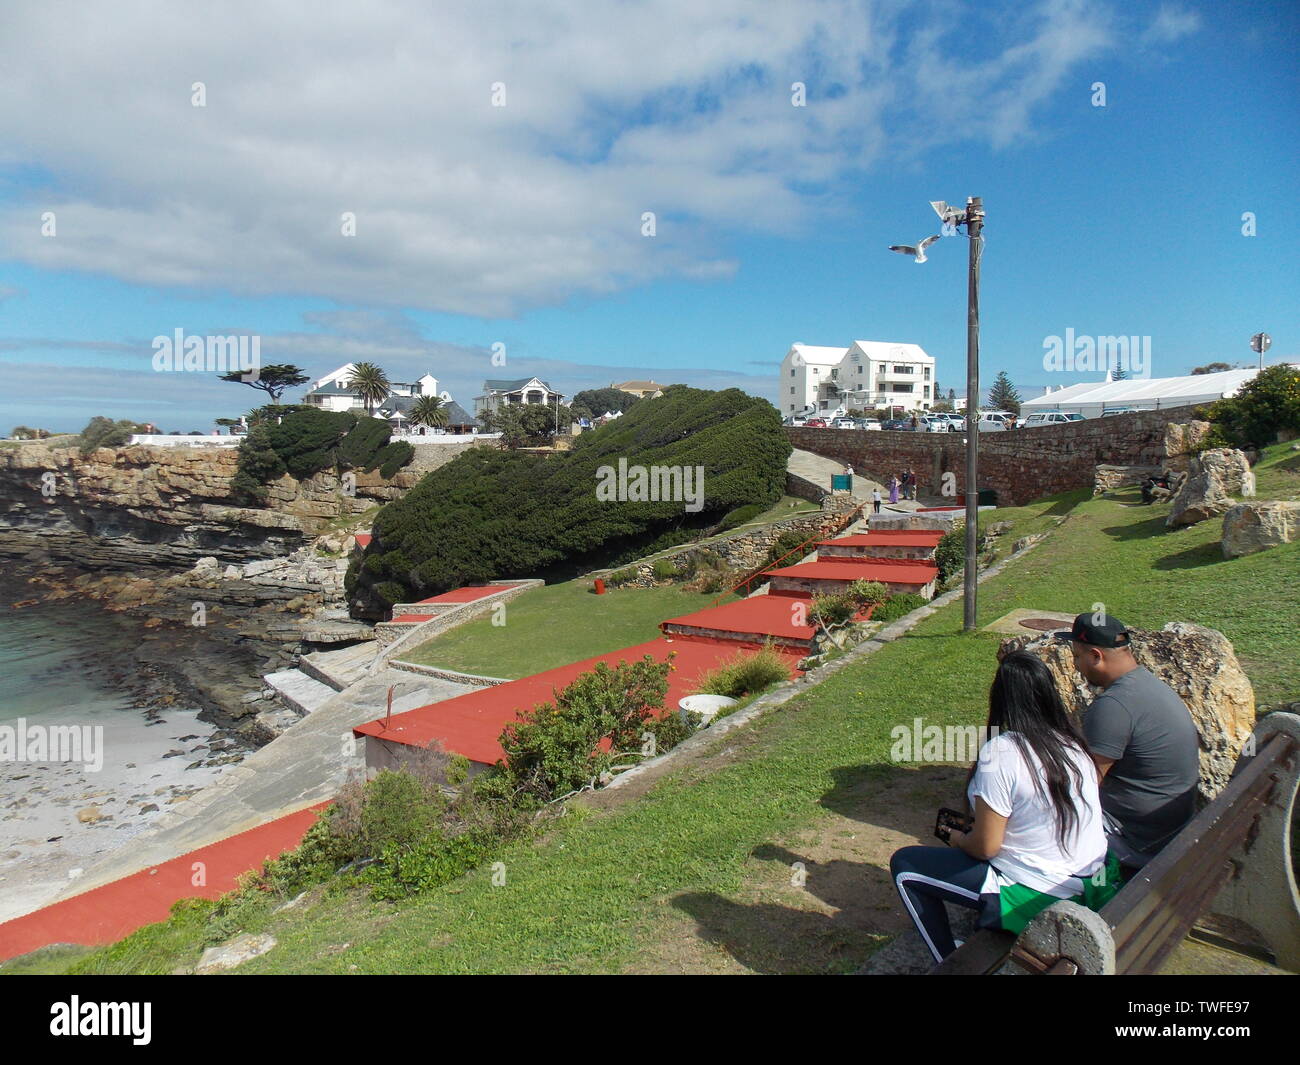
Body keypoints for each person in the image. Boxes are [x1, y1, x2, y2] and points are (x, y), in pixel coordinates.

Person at [890, 652, 1114, 963]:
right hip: (1092, 878)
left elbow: (986, 847)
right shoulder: (1073, 744)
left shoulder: (1002, 751)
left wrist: (957, 839)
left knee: (905, 865)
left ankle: (949, 965)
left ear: (1000, 698)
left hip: (1043, 894)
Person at [1057, 612, 1200, 870]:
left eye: (1078, 657)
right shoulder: (1150, 685)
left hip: (1135, 839)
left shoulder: (1113, 705)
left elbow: (1085, 785)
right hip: (1171, 827)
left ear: (1096, 656)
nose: (1077, 665)